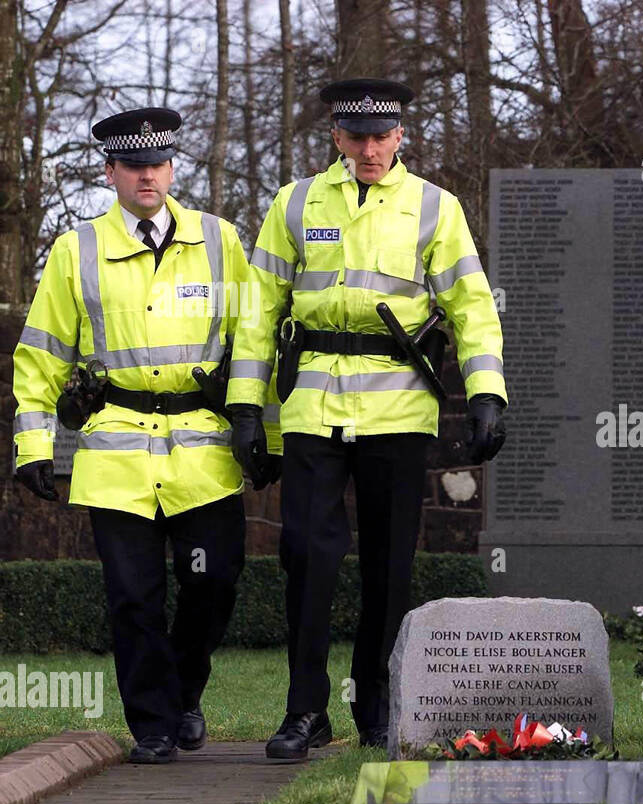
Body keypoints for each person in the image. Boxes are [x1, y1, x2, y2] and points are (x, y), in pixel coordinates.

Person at [227, 78, 507, 760]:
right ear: (335, 136)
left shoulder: (434, 208)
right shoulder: (294, 204)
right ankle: (304, 711)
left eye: (382, 136)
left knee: (389, 566)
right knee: (306, 557)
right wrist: (244, 407)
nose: (370, 148)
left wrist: (486, 392)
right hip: (313, 405)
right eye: (356, 137)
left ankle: (377, 707)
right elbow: (258, 310)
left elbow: (471, 304)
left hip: (397, 408)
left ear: (401, 135)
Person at [11, 107, 278, 763]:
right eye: (133, 166)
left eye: (157, 164)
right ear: (111, 173)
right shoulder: (76, 249)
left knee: (214, 581)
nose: (147, 176)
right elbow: (40, 355)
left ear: (172, 167)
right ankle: (154, 724)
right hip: (117, 449)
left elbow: (254, 339)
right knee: (133, 597)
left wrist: (259, 424)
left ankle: (184, 693)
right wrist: (33, 446)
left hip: (203, 449)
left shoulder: (221, 241)